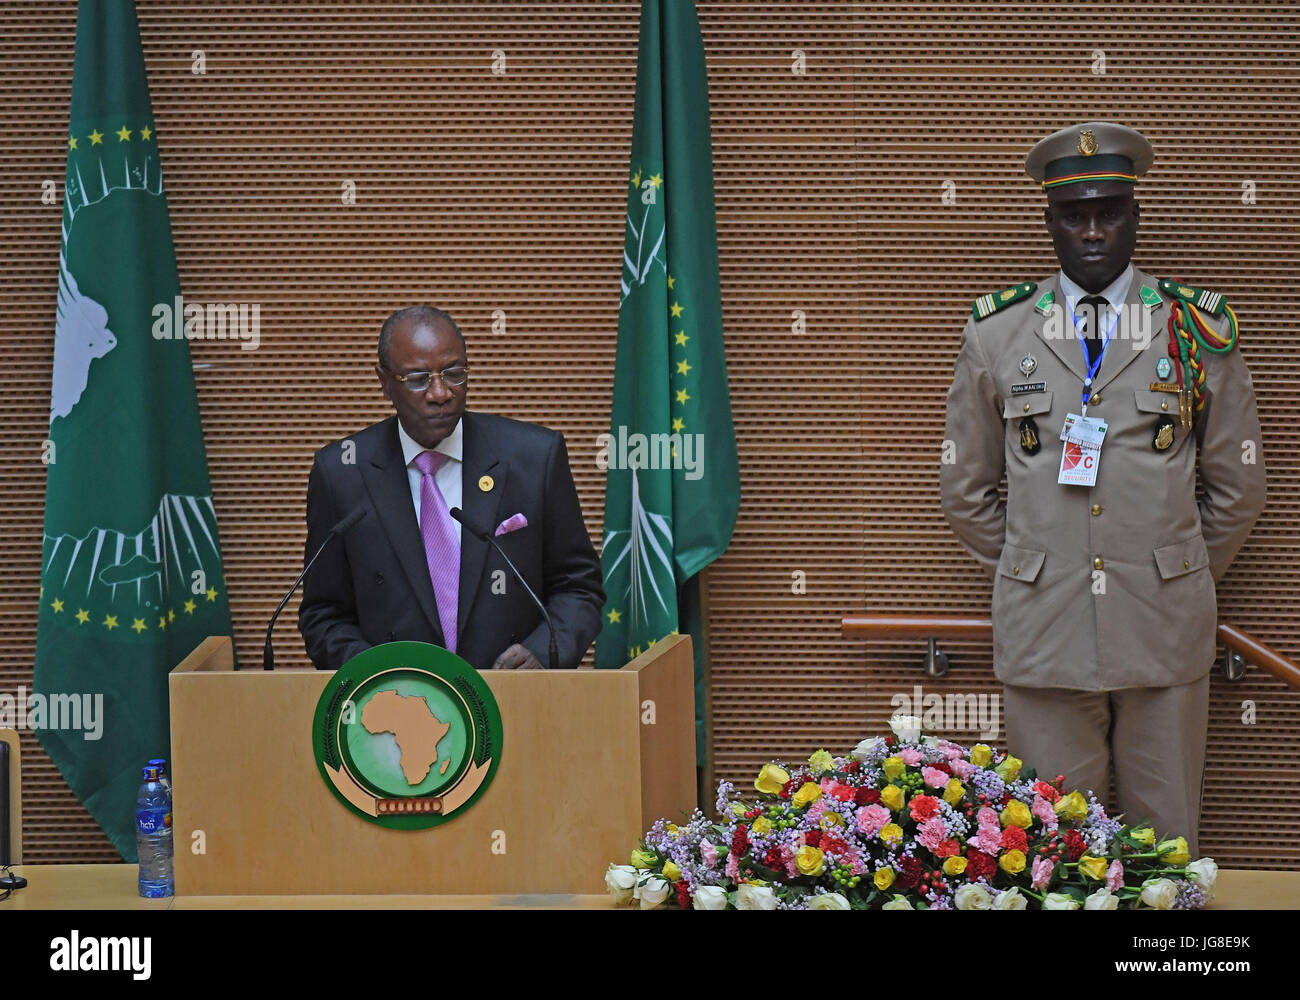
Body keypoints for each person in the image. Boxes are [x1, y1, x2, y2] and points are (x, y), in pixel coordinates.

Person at [939, 122, 1266, 855]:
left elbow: (1238, 485)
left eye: (1109, 212)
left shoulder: (1192, 326)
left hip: (1164, 627)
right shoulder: (999, 333)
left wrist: (1170, 567)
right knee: (1053, 854)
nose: (1092, 231)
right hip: (1044, 632)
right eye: (1073, 215)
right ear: (1049, 220)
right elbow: (964, 487)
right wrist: (1037, 561)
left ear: (1135, 217)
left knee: (1166, 853)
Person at [299, 305, 605, 671]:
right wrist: (378, 674)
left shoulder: (535, 457)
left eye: (454, 374)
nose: (440, 393)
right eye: (417, 379)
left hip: (516, 701)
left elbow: (578, 588)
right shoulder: (341, 474)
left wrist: (543, 651)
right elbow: (324, 614)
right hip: (400, 712)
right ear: (383, 381)